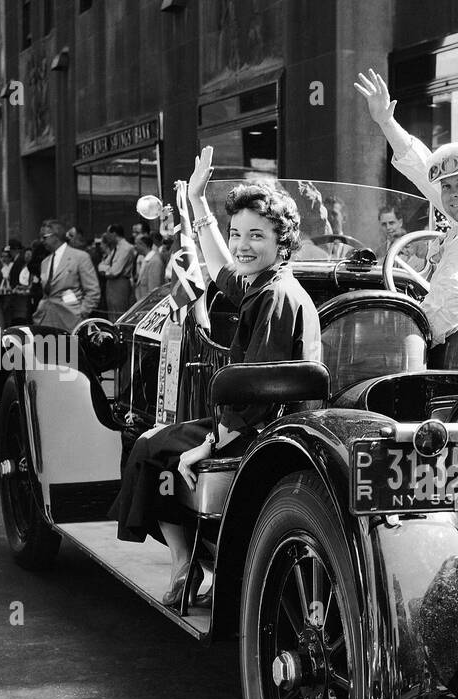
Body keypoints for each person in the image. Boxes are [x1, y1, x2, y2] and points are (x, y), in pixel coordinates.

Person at [110, 150, 322, 608]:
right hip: (259, 424)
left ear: (282, 242)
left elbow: (257, 392)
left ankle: (188, 564)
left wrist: (208, 446)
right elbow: (221, 267)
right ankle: (192, 562)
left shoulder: (276, 296)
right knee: (156, 449)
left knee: (150, 448)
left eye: (256, 236)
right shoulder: (265, 283)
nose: (243, 244)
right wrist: (199, 200)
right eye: (237, 233)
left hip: (261, 432)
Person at [354, 68, 458, 345]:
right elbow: (423, 169)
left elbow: (445, 310)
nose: (452, 194)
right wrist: (387, 123)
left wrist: (394, 340)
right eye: (447, 187)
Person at [31, 218, 100, 331]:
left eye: (44, 237)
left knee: (68, 349)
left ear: (56, 235)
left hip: (71, 320)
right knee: (46, 349)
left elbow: (93, 290)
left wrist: (81, 312)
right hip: (45, 319)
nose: (41, 241)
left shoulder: (80, 257)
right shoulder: (45, 262)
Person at [101, 223, 137, 316]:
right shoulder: (116, 248)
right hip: (111, 284)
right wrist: (107, 269)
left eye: (108, 233)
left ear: (114, 234)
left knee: (119, 312)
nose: (107, 236)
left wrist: (106, 269)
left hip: (120, 283)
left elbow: (115, 271)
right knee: (111, 312)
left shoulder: (126, 248)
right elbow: (101, 265)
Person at [377, 205, 426, 271]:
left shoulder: (419, 245)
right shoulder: (380, 250)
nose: (388, 227)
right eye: (384, 224)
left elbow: (425, 270)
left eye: (391, 223)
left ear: (400, 222)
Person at [133, 231, 165, 301]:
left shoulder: (154, 261)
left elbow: (154, 289)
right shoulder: (146, 259)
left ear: (143, 245)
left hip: (148, 304)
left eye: (136, 244)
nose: (134, 246)